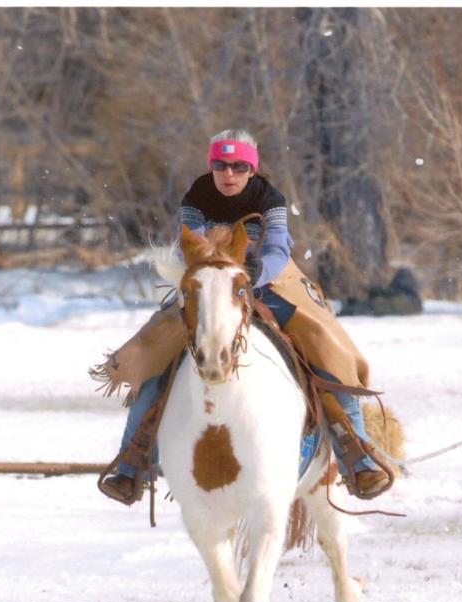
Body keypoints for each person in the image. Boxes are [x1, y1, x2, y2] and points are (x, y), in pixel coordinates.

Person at [94, 129, 391, 505]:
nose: (228, 174)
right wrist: (218, 269)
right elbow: (192, 243)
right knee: (153, 353)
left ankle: (358, 458)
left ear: (252, 169)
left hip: (270, 280)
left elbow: (279, 246)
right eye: (220, 165)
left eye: (238, 166)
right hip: (210, 278)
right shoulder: (196, 197)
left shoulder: (270, 199)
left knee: (325, 346)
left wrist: (255, 270)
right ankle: (132, 463)